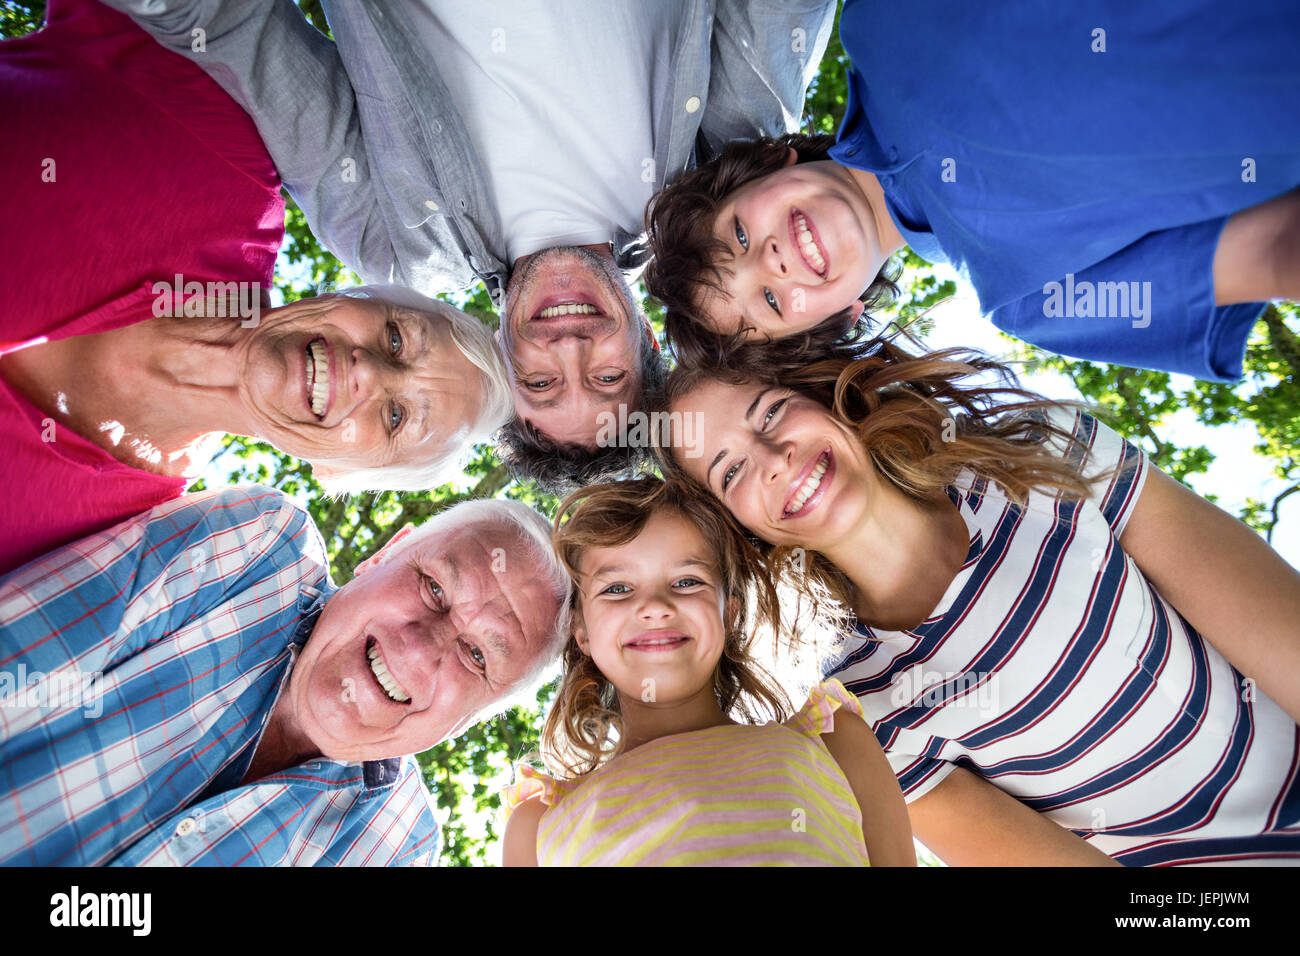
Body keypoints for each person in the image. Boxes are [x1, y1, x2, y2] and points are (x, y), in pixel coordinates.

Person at [99, 0, 837, 489]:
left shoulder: (395, 240)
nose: (570, 347)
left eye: (543, 384)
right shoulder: (717, 197)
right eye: (608, 379)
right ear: (646, 333)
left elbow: (239, 30)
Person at [658, 340, 1300, 865]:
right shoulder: (863, 712)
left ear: (827, 395)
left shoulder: (1043, 455)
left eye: (770, 413)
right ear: (743, 531)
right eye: (731, 471)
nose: (774, 459)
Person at [0, 0, 511, 575]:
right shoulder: (222, 150)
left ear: (338, 474)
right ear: (356, 292)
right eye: (396, 339)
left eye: (395, 418)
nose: (367, 371)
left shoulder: (100, 554)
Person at [643, 0, 1300, 380]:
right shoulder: (1035, 301)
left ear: (766, 161)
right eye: (767, 300)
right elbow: (1275, 252)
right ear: (842, 319)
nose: (773, 261)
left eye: (738, 235)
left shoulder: (876, 24)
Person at [0, 485, 569, 865]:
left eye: (477, 657)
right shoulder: (259, 551)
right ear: (384, 552)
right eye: (435, 588)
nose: (420, 650)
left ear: (476, 719)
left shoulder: (396, 849)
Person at [500, 477, 915, 867]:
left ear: (729, 614)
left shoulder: (834, 741)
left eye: (686, 581)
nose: (655, 606)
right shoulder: (536, 827)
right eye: (617, 589)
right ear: (583, 632)